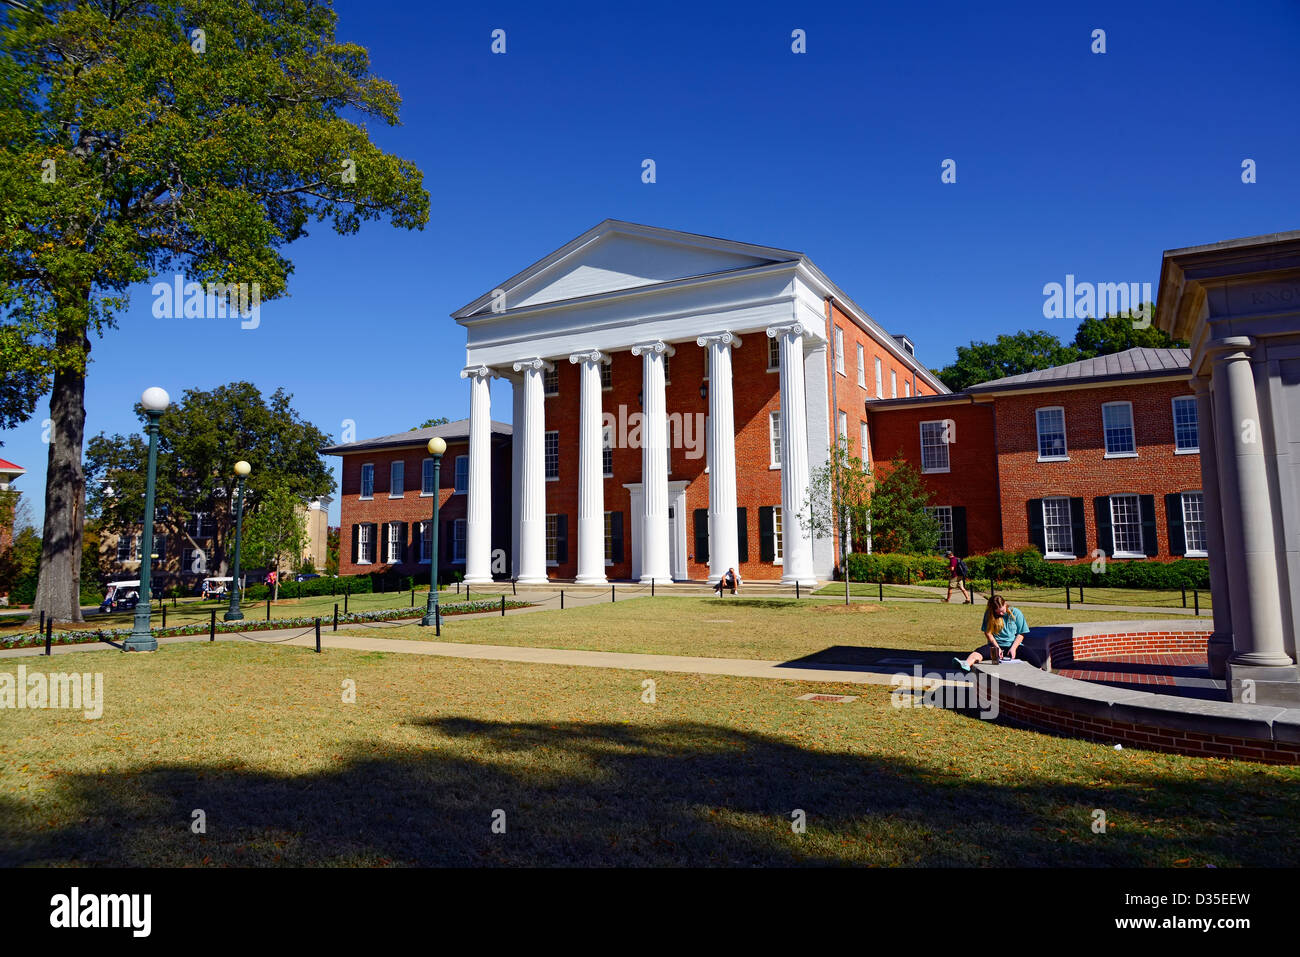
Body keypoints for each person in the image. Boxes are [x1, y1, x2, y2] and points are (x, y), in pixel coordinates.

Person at [953, 593, 1043, 671]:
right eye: (998, 612)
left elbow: (1021, 633)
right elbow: (988, 633)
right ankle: (966, 664)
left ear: (1005, 604)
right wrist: (997, 647)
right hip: (995, 645)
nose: (1001, 614)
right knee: (978, 653)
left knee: (1035, 659)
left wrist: (1013, 648)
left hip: (1013, 645)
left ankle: (1040, 673)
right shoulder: (989, 614)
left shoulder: (1016, 612)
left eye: (1002, 611)